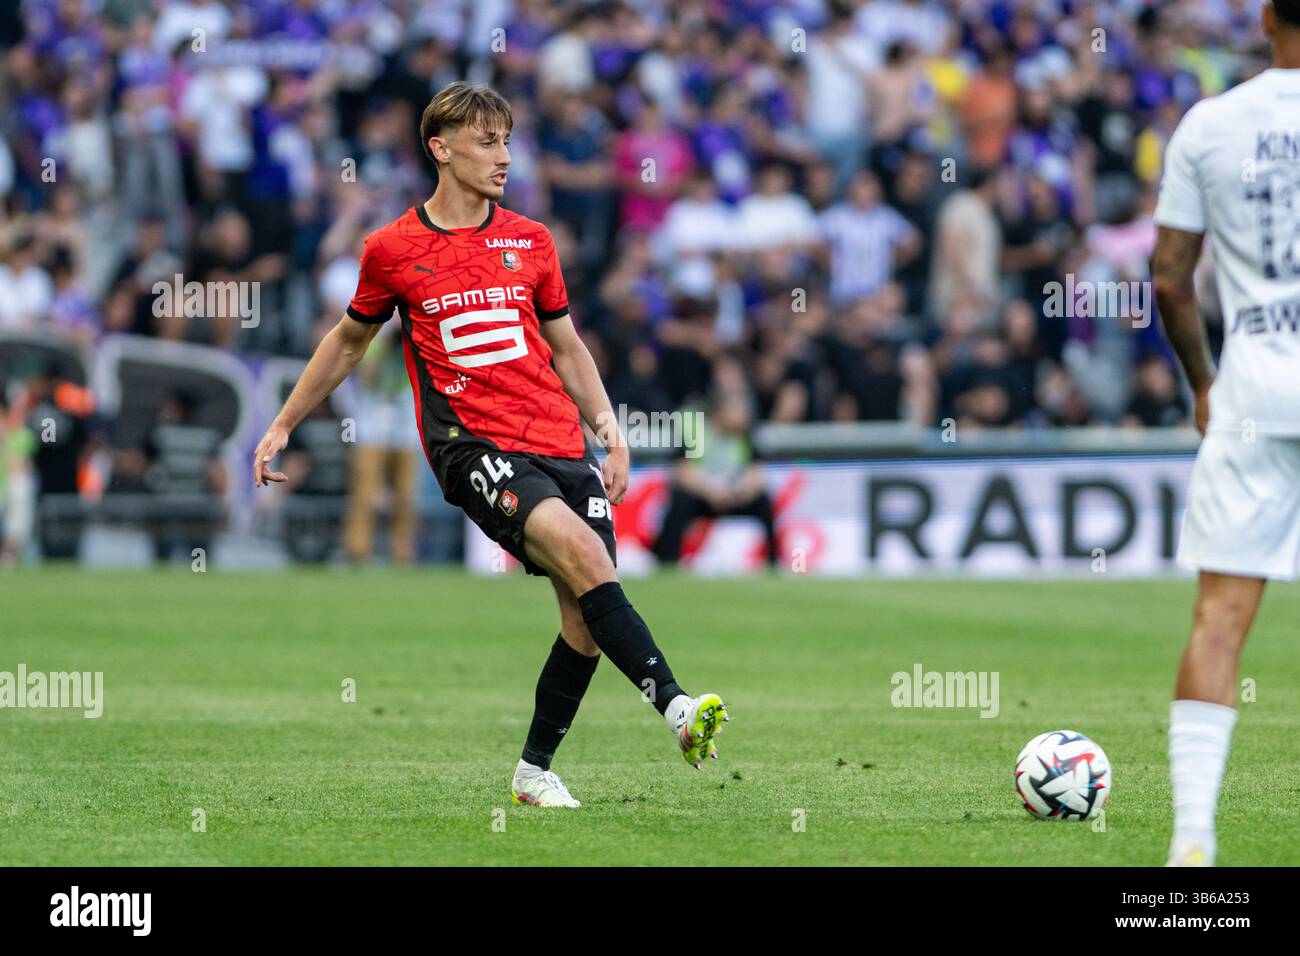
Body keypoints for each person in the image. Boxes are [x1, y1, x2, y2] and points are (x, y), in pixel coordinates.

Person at [251, 81, 728, 808]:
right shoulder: (392, 249)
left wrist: (609, 432)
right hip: (471, 445)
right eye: (486, 141)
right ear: (441, 149)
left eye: (506, 140)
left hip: (561, 440)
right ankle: (678, 707)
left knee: (585, 618)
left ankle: (534, 772)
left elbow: (566, 347)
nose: (503, 155)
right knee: (588, 557)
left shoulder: (532, 240)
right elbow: (349, 342)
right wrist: (284, 422)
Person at [1151, 0, 1300, 866]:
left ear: (1269, 17)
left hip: (1254, 390)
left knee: (1217, 622)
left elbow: (1171, 279)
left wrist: (1204, 385)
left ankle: (1193, 844)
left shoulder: (1212, 122)